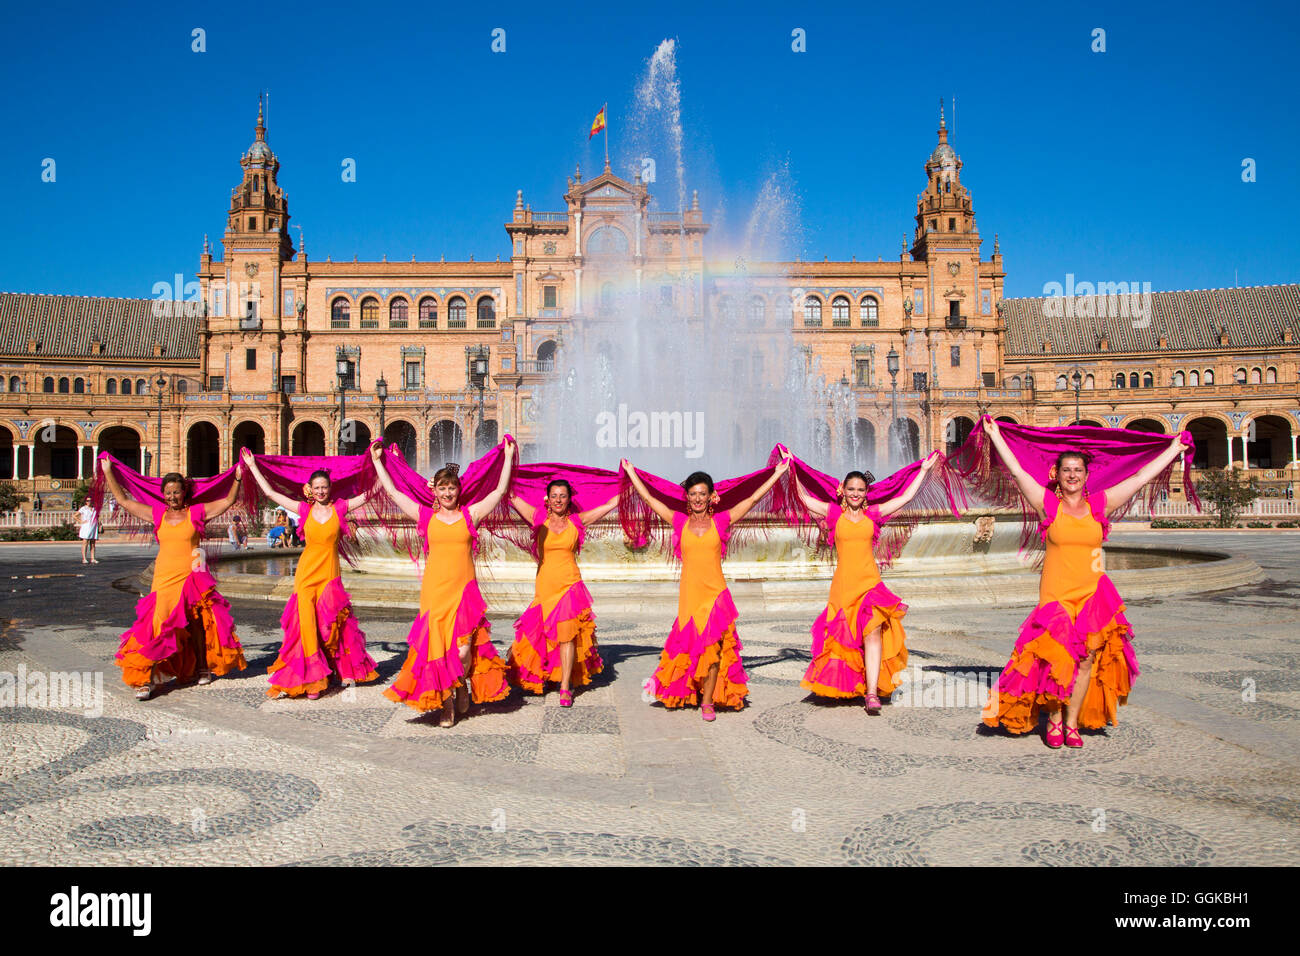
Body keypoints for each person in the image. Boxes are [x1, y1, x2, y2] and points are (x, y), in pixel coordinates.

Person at [980, 418, 1191, 747]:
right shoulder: (1047, 504)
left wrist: (1174, 450)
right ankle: (1052, 719)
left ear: (1086, 475)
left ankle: (1072, 723)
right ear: (1058, 475)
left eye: (1078, 470)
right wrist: (996, 437)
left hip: (1093, 593)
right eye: (1067, 470)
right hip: (1056, 595)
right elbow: (1020, 472)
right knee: (1057, 656)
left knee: (1086, 658)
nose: (1073, 475)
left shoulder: (1100, 504)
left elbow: (1138, 478)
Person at [622, 453, 791, 720]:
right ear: (687, 497)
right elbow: (649, 500)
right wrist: (632, 473)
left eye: (702, 493)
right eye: (693, 494)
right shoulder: (679, 521)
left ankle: (708, 701)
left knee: (712, 648)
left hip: (715, 595)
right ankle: (692, 692)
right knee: (689, 647)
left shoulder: (721, 521)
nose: (698, 498)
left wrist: (778, 473)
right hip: (690, 596)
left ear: (711, 496)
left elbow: (753, 499)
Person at [371, 440, 516, 727]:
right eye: (442, 488)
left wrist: (508, 457)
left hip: (464, 592)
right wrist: (377, 462)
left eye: (451, 488)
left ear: (458, 490)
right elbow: (393, 491)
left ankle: (461, 684)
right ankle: (448, 705)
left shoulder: (470, 515)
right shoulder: (425, 516)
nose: (447, 492)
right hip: (436, 593)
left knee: (463, 653)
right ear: (435, 490)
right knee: (439, 651)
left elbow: (499, 491)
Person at [791, 452, 939, 713]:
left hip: (870, 584)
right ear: (843, 490)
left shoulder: (874, 513)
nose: (856, 493)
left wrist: (924, 471)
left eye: (860, 489)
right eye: (851, 489)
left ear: (866, 492)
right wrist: (790, 466)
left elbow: (905, 498)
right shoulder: (833, 513)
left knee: (872, 634)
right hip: (843, 587)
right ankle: (851, 686)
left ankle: (871, 693)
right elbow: (803, 498)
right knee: (844, 639)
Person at [101, 461, 247, 700]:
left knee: (196, 624)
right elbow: (125, 502)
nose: (172, 496)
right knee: (156, 624)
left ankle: (202, 667)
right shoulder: (157, 513)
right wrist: (108, 472)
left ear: (184, 493)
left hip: (191, 575)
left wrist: (238, 478)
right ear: (163, 494)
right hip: (164, 576)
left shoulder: (197, 512)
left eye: (176, 492)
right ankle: (146, 678)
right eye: (168, 492)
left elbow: (228, 502)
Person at [243, 450, 380, 700]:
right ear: (310, 489)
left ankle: (338, 668)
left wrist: (382, 465)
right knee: (306, 626)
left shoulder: (340, 507)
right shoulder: (303, 510)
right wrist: (253, 466)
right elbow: (271, 494)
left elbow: (370, 494)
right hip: (306, 576)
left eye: (324, 487)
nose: (320, 491)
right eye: (316, 487)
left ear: (330, 488)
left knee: (330, 626)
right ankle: (313, 680)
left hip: (329, 575)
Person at [506, 480, 620, 705]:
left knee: (567, 635)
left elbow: (609, 505)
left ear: (569, 500)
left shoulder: (578, 521)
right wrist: (507, 459)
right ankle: (548, 674)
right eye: (554, 495)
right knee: (540, 633)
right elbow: (510, 496)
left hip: (569, 586)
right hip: (545, 587)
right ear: (547, 499)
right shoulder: (538, 518)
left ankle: (565, 686)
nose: (558, 500)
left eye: (563, 496)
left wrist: (626, 484)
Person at [77, 500, 100, 564]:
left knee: (93, 543)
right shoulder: (83, 508)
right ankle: (84, 558)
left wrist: (100, 524)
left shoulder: (94, 508)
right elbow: (75, 515)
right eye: (88, 501)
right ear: (86, 502)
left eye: (90, 501)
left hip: (94, 526)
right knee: (85, 542)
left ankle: (93, 558)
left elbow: (97, 517)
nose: (89, 502)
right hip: (86, 527)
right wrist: (81, 521)